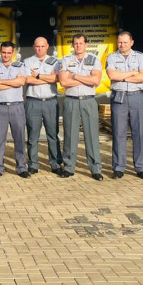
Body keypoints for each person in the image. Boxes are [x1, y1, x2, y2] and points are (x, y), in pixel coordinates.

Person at [105, 31, 143, 180]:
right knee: (118, 133)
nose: (122, 45)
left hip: (136, 97)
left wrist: (123, 77)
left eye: (125, 42)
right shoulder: (112, 57)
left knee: (139, 133)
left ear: (131, 42)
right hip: (119, 97)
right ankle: (119, 167)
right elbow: (112, 76)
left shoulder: (140, 56)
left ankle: (141, 168)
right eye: (120, 42)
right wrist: (132, 73)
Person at [58, 34, 104, 180]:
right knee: (70, 135)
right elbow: (64, 82)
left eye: (81, 43)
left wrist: (75, 76)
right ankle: (69, 167)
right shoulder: (66, 60)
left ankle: (95, 169)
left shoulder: (94, 59)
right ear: (73, 45)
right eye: (76, 43)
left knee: (91, 135)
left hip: (88, 101)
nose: (78, 46)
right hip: (71, 100)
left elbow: (96, 80)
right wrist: (86, 79)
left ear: (86, 44)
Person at [0, 41, 29, 178]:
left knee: (19, 138)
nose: (6, 55)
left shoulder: (20, 66)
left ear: (13, 53)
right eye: (3, 52)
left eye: (8, 53)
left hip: (16, 106)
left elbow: (21, 82)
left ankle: (21, 167)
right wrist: (13, 82)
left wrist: (1, 81)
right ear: (0, 52)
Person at [23, 37, 61, 174]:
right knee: (33, 135)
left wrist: (38, 76)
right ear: (34, 47)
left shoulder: (55, 62)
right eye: (37, 46)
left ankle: (55, 164)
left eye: (42, 46)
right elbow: (27, 79)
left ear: (47, 46)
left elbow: (57, 78)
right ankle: (33, 164)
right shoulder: (27, 62)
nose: (40, 49)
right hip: (33, 102)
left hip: (50, 101)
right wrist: (48, 78)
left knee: (53, 134)